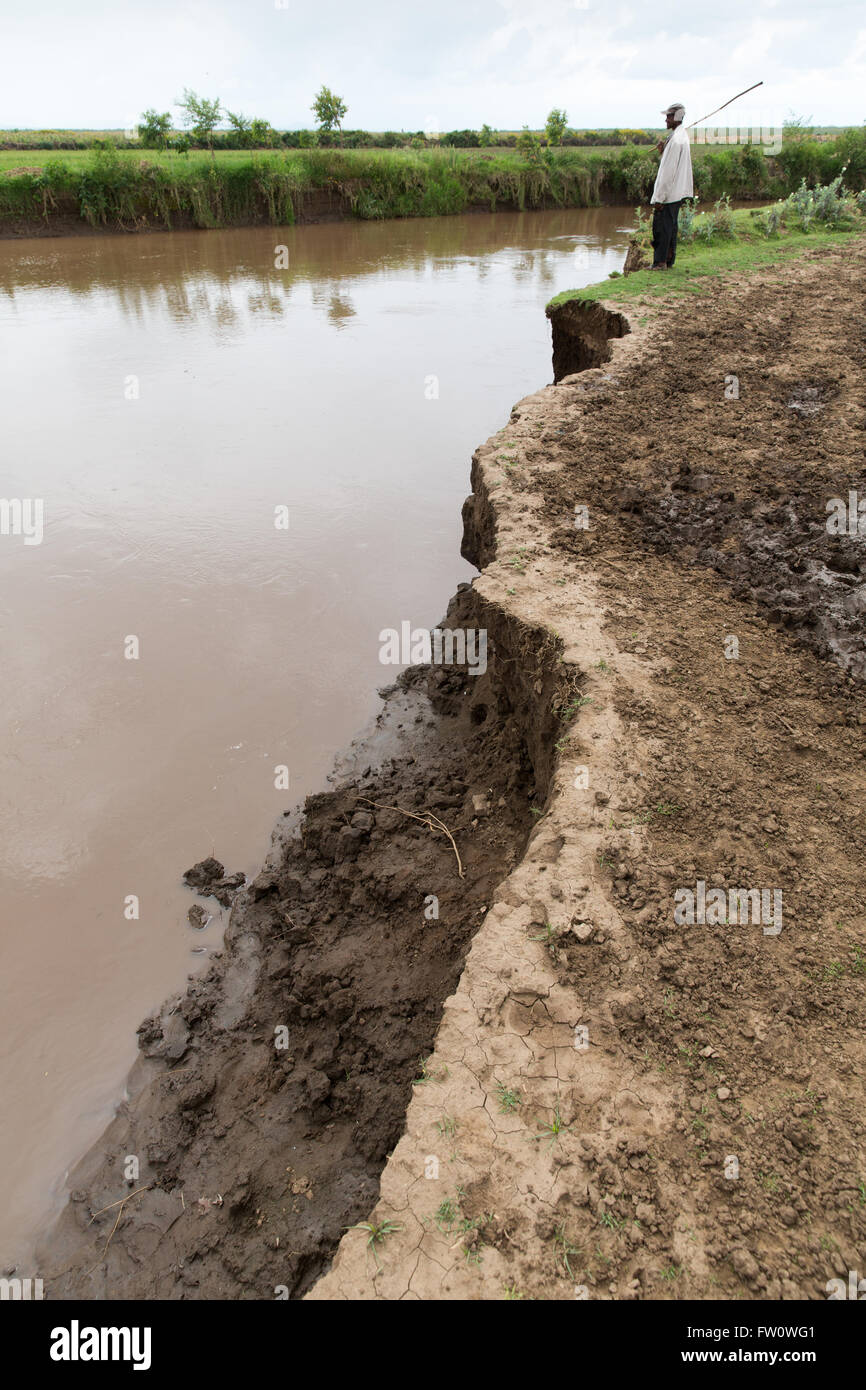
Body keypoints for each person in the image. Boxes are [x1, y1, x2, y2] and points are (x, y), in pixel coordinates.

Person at [649, 103, 694, 270]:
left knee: (662, 227)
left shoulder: (676, 140)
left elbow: (668, 173)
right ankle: (667, 260)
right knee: (671, 226)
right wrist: (663, 151)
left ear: (676, 118)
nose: (666, 120)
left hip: (669, 193)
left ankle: (660, 262)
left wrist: (659, 197)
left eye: (668, 116)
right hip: (676, 192)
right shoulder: (679, 137)